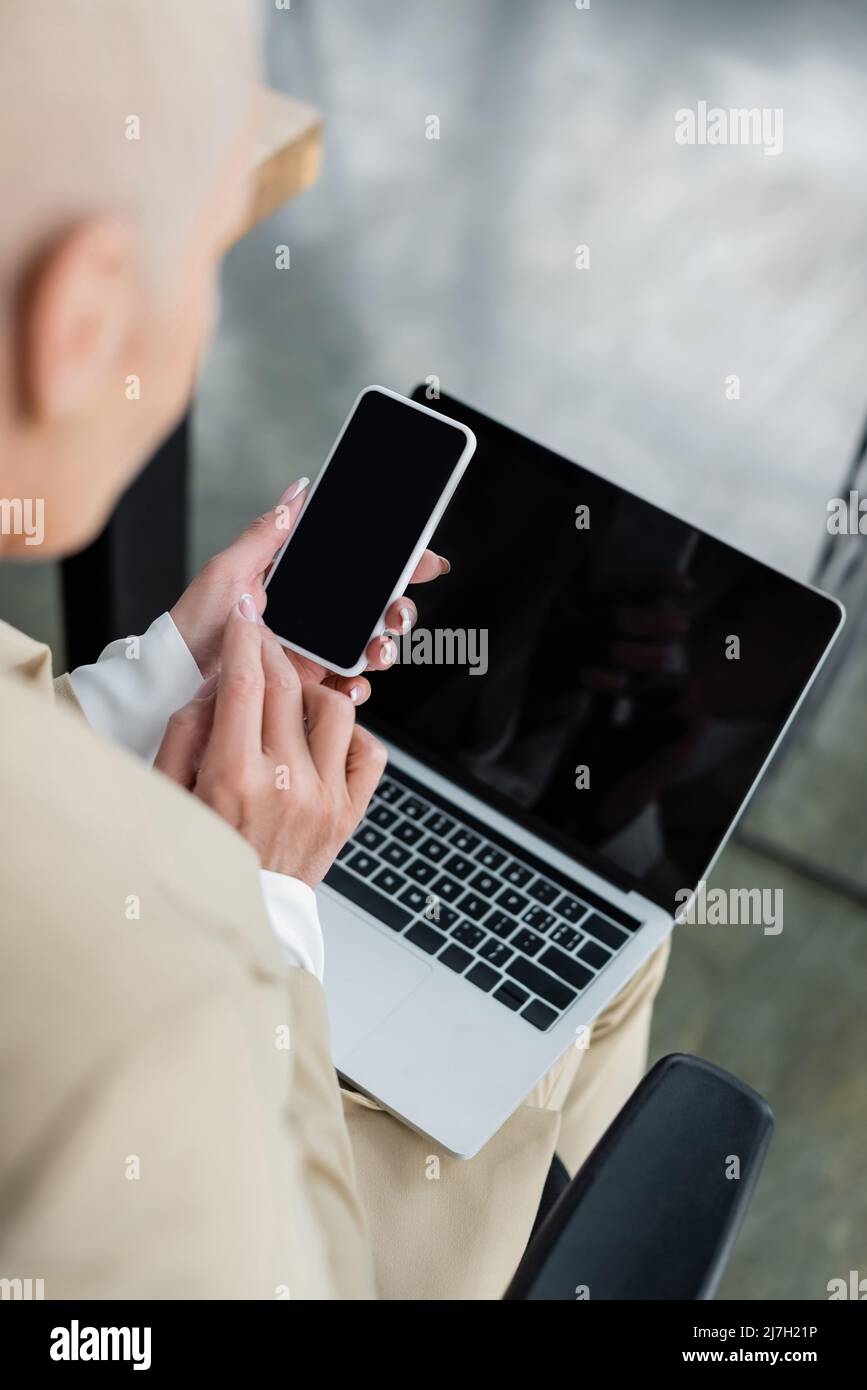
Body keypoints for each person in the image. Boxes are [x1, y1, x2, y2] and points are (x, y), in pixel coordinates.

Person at [0, 0, 668, 1299]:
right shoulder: (150, 1010)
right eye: (210, 249)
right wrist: (251, 903)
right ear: (76, 323)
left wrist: (145, 688)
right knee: (627, 953)